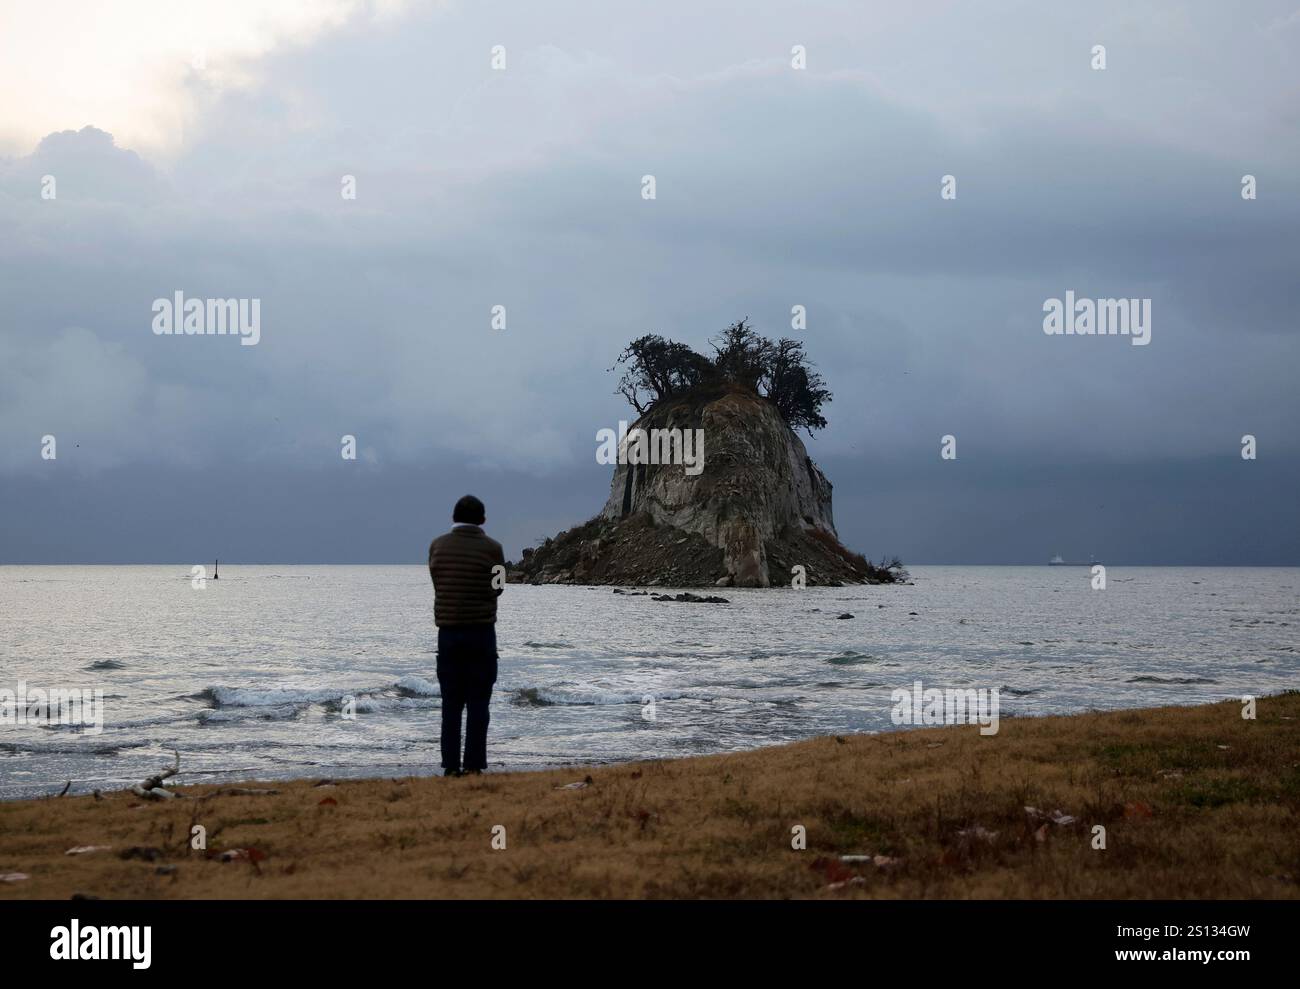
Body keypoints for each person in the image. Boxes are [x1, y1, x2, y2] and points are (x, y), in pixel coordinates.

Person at [427, 495, 506, 776]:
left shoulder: (437, 546)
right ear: (483, 519)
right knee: (478, 703)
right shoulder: (494, 549)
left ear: (453, 517)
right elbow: (499, 587)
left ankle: (450, 765)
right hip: (481, 634)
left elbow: (437, 580)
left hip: (447, 634)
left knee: (450, 704)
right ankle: (473, 765)